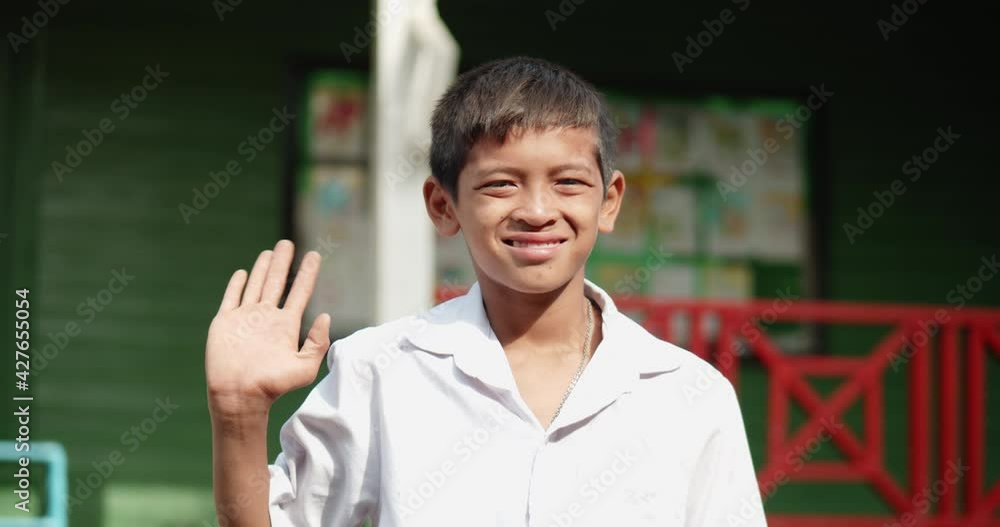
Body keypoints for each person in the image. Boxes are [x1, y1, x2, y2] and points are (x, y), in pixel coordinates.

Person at [206, 56, 767, 526]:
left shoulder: (689, 394)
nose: (538, 211)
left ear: (610, 200)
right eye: (501, 184)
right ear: (443, 206)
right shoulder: (377, 373)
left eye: (568, 182)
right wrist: (237, 417)